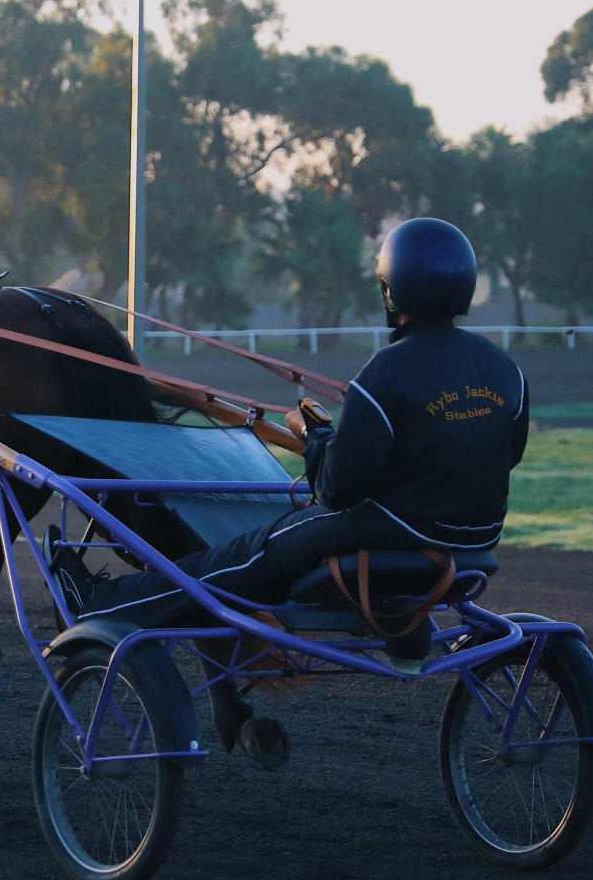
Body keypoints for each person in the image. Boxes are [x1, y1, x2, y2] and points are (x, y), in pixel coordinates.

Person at [55, 217, 530, 650]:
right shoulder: (507, 370)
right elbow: (501, 455)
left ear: (390, 287)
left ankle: (100, 604)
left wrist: (315, 435)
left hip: (393, 536)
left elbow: (338, 490)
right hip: (477, 540)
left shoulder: (385, 373)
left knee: (247, 554)